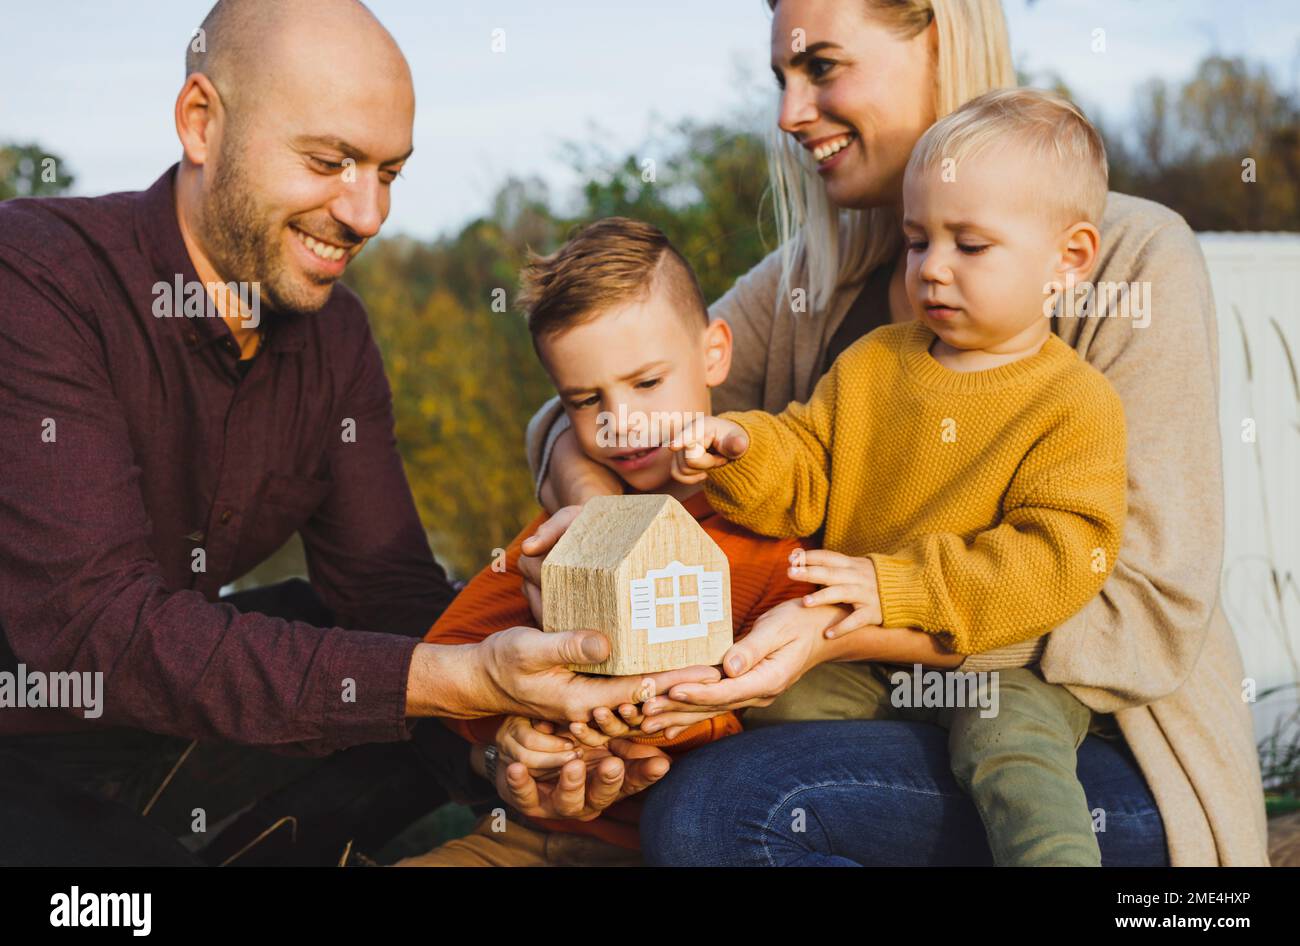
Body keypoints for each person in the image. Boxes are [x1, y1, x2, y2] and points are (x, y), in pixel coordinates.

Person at [521, 0, 1269, 865]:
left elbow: (1138, 608)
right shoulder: (825, 275)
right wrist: (607, 526)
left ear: (940, 40)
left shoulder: (1129, 260)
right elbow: (583, 414)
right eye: (782, 78)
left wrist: (845, 615)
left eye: (824, 67)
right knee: (709, 739)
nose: (789, 114)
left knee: (723, 807)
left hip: (1092, 741)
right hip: (868, 695)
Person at [0, 0, 690, 865]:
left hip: (150, 725)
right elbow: (96, 631)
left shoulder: (335, 333)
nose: (367, 214)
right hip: (22, 731)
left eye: (390, 173)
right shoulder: (35, 277)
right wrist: (452, 680)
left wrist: (500, 744)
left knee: (370, 635)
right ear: (201, 122)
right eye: (331, 161)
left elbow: (389, 592)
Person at [667, 88, 1127, 866]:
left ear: (1069, 259)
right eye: (918, 241)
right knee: (759, 694)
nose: (933, 269)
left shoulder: (1075, 402)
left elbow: (1058, 556)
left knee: (1015, 761)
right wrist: (745, 450)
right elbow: (809, 466)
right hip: (869, 661)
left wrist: (900, 587)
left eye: (970, 246)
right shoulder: (877, 362)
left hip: (1001, 667)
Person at [392, 218, 815, 866]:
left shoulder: (768, 535)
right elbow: (449, 661)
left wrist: (672, 714)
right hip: (528, 836)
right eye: (587, 400)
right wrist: (510, 735)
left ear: (714, 353)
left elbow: (787, 711)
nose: (622, 424)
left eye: (647, 383)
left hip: (679, 841)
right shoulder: (566, 537)